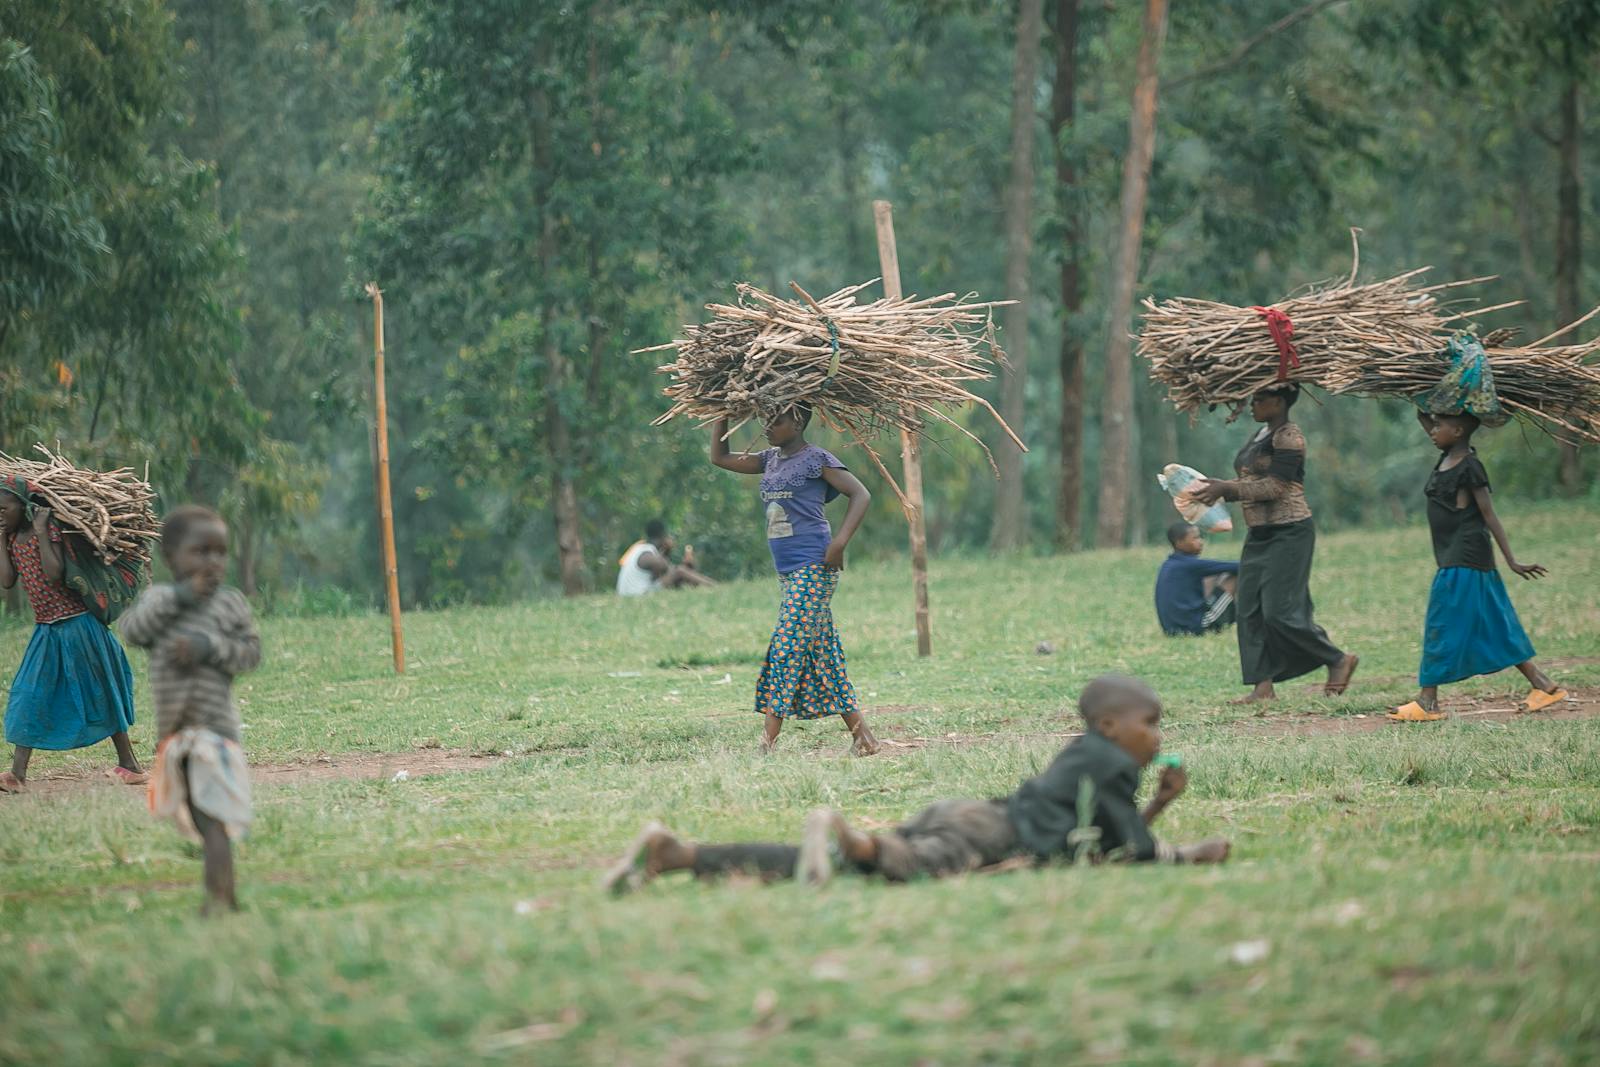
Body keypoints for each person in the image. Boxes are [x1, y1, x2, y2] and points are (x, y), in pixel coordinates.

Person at [601, 674, 1230, 893]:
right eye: (1151, 724)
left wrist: (1161, 800)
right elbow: (1134, 854)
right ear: (1111, 725)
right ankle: (839, 827)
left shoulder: (1090, 756)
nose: (1156, 735)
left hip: (968, 813)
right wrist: (1188, 852)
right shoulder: (1113, 761)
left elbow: (1102, 838)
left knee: (856, 865)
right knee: (902, 866)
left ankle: (680, 854)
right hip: (989, 835)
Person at [710, 405, 880, 755]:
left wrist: (839, 542)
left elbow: (861, 494)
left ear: (799, 422)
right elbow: (720, 457)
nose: (768, 426)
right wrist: (722, 413)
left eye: (778, 420)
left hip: (815, 567)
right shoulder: (768, 460)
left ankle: (766, 744)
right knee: (824, 655)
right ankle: (864, 738)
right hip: (788, 574)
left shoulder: (817, 459)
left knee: (786, 649)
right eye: (765, 419)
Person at [119, 506, 261, 914]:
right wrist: (178, 599)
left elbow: (250, 653)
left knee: (210, 814)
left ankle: (217, 899)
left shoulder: (229, 604)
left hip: (214, 729)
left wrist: (209, 647)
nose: (212, 562)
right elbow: (133, 630)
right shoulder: (161, 601)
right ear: (171, 557)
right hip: (175, 735)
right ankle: (225, 896)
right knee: (201, 820)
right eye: (200, 552)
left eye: (220, 552)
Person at [1390, 412, 1566, 721]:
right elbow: (1425, 417)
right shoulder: (1447, 454)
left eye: (1439, 426)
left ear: (1457, 431)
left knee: (1440, 624)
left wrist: (1512, 560)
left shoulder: (1470, 466)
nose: (1432, 430)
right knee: (1495, 624)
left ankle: (1427, 700)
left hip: (1465, 558)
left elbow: (1489, 515)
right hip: (1458, 557)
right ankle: (1544, 685)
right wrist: (1417, 396)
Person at [1192, 384, 1359, 702]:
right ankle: (1262, 685)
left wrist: (1226, 488)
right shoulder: (1260, 434)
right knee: (1248, 608)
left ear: (1280, 402)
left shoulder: (1289, 436)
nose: (1253, 404)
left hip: (1290, 532)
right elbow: (1248, 480)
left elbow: (1277, 487)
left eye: (1260, 399)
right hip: (1259, 534)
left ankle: (1337, 659)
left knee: (1279, 612)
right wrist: (1215, 487)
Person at [0, 478, 144, 793]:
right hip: (47, 630)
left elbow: (54, 573)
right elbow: (7, 580)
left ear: (23, 506)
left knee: (102, 693)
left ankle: (130, 765)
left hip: (79, 627)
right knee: (28, 693)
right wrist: (1, 539)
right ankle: (17, 775)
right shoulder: (12, 539)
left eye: (3, 508)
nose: (0, 514)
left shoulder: (47, 530)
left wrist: (40, 531)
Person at [1155, 521, 1239, 637]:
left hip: (1172, 628)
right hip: (1195, 627)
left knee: (1215, 574)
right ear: (1179, 543)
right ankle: (1248, 618)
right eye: (1195, 538)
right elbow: (1240, 566)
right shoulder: (1190, 565)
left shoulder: (1170, 564)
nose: (1201, 542)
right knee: (1234, 576)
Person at [616, 520, 716, 596]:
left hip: (632, 593)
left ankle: (705, 588)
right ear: (662, 535)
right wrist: (668, 550)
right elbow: (664, 567)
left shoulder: (639, 548)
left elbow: (660, 574)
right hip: (638, 594)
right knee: (679, 572)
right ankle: (713, 586)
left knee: (679, 574)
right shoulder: (647, 552)